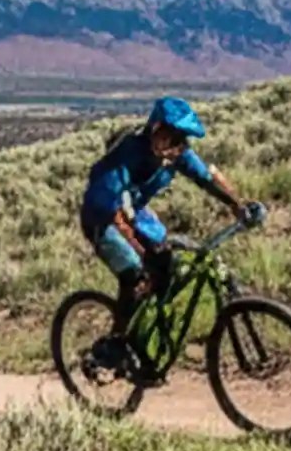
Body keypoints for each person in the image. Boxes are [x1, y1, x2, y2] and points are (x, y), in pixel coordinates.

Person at [79, 95, 265, 369]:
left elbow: (205, 177)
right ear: (155, 129)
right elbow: (111, 210)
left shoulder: (175, 153)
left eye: (183, 140)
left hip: (135, 211)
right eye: (172, 137)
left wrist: (238, 205)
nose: (178, 146)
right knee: (134, 274)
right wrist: (140, 251)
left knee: (167, 268)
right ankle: (115, 344)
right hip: (102, 217)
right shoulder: (128, 155)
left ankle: (149, 335)